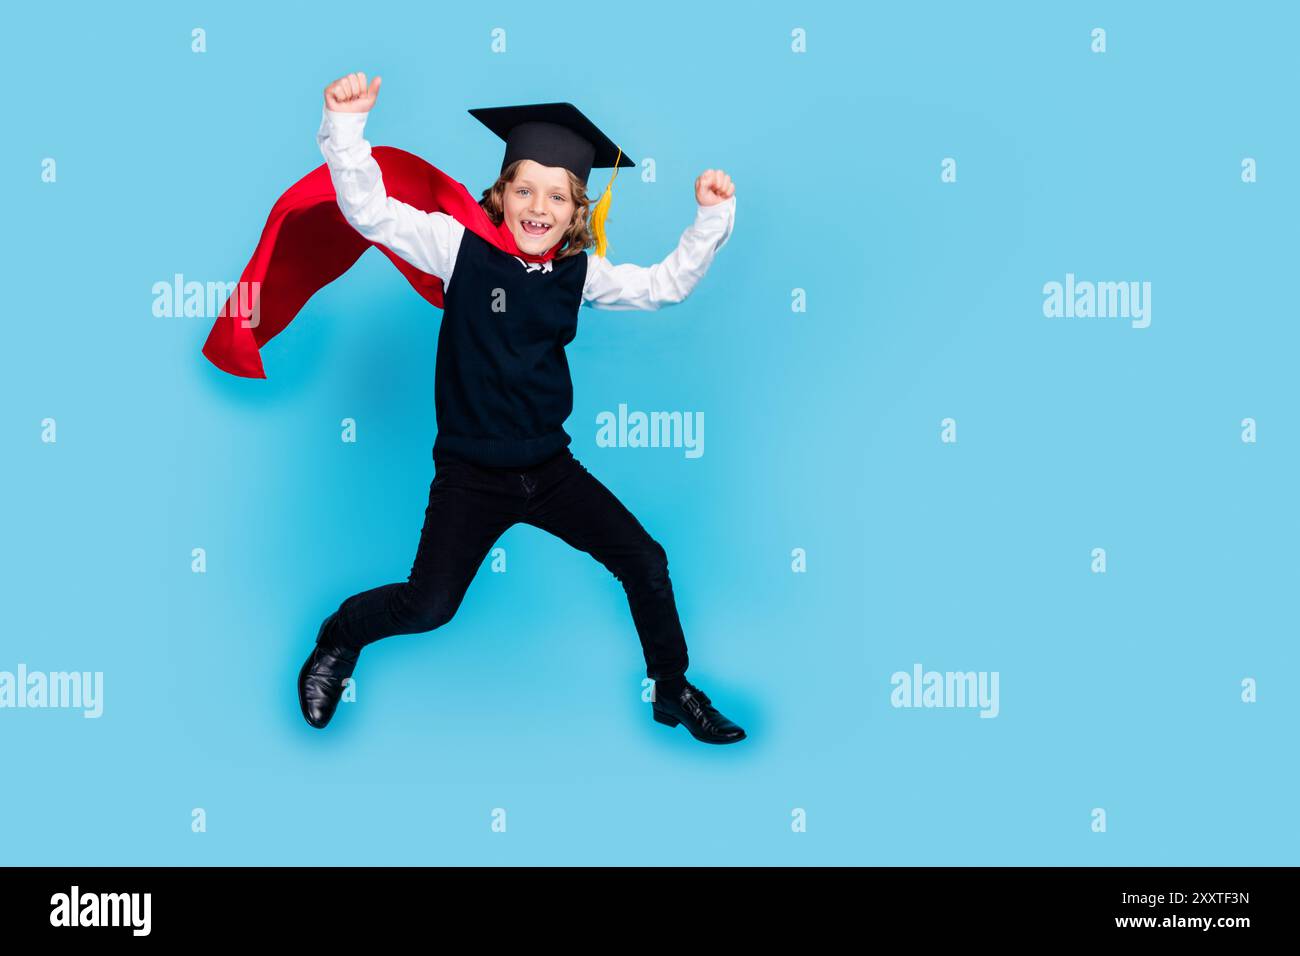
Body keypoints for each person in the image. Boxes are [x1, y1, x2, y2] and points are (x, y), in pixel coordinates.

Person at [297, 71, 745, 744]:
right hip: (471, 476)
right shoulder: (457, 249)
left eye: (558, 196)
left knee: (645, 560)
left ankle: (672, 688)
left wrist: (710, 218)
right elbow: (372, 212)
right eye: (526, 189)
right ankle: (339, 636)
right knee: (428, 607)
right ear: (502, 194)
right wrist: (346, 129)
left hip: (550, 471)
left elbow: (664, 286)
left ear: (576, 211)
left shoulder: (581, 274)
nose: (540, 206)